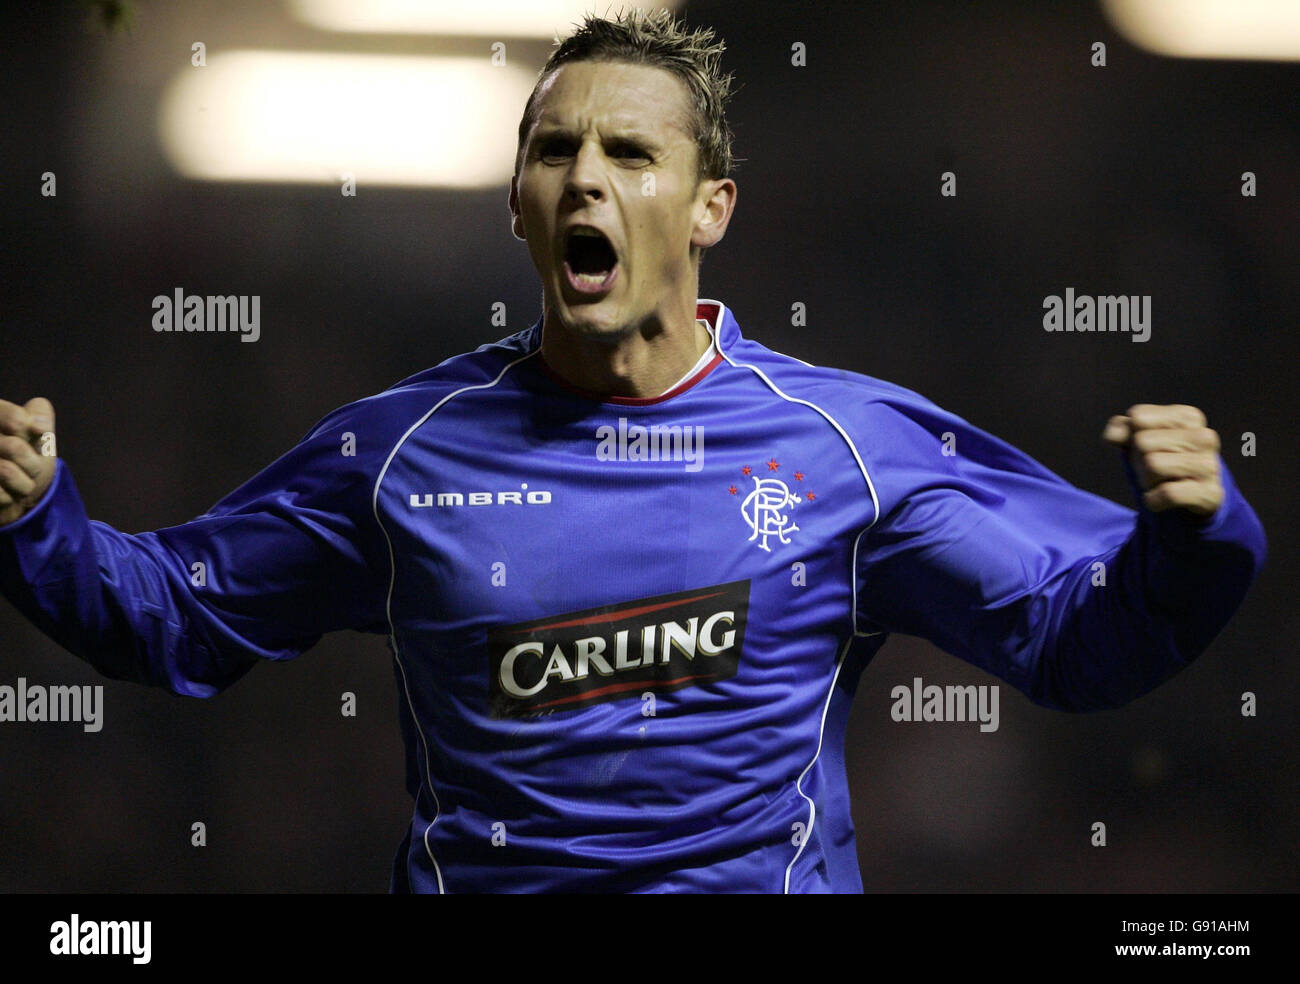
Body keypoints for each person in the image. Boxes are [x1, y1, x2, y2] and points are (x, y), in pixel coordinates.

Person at [0, 9, 1266, 893]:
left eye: (629, 153)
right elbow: (173, 615)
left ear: (711, 205)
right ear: (516, 204)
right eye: (554, 152)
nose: (585, 179)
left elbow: (1081, 641)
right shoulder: (398, 455)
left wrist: (1199, 537)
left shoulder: (846, 448)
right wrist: (34, 516)